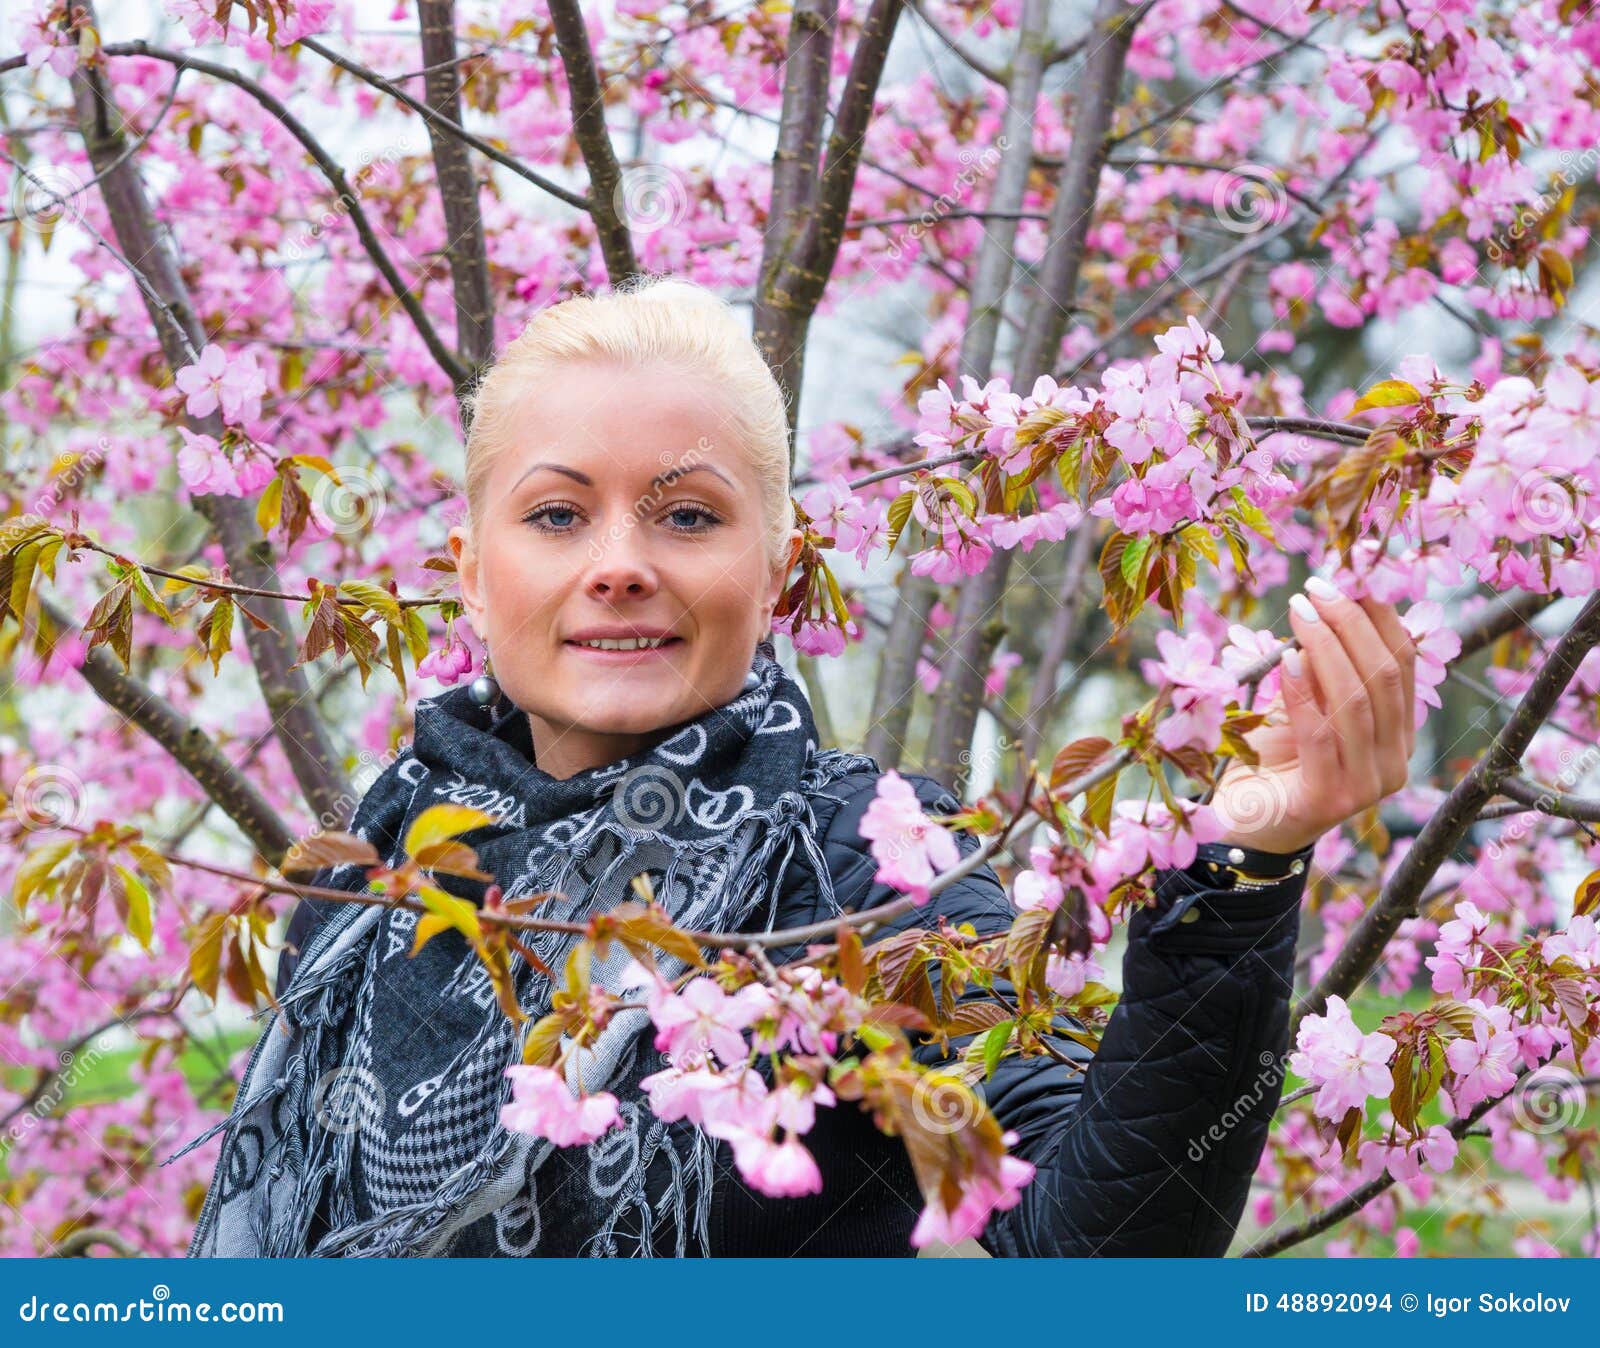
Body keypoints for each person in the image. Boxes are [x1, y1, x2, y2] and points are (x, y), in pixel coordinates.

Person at [180, 275, 1417, 1258]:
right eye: (558, 514)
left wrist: (1240, 879)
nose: (619, 562)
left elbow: (1085, 1258)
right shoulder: (377, 886)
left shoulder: (864, 866)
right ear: (469, 564)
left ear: (774, 568)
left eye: (687, 515)